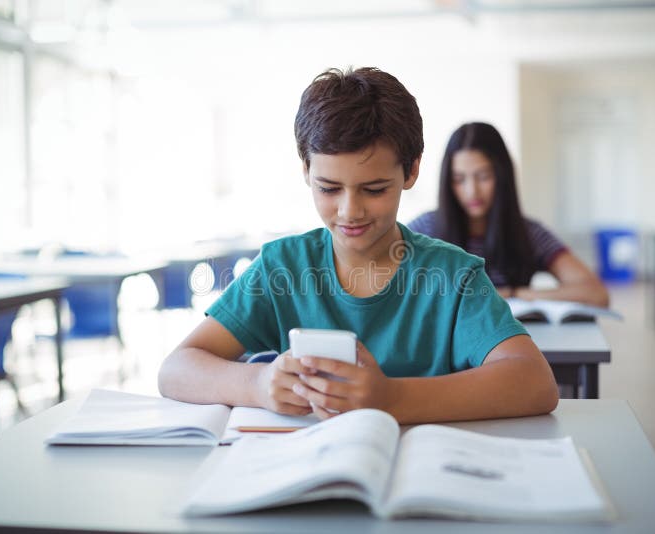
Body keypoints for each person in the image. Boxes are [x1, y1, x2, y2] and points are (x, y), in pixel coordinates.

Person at [158, 68, 558, 423]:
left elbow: (535, 382)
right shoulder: (283, 267)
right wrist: (258, 383)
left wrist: (392, 398)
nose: (350, 211)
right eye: (329, 188)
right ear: (306, 171)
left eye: (374, 188)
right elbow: (175, 369)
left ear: (412, 170)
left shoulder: (453, 276)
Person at [409, 122, 609, 307]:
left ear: (502, 175)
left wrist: (514, 294)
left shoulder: (529, 233)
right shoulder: (425, 230)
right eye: (459, 179)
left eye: (483, 177)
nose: (472, 191)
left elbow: (596, 294)